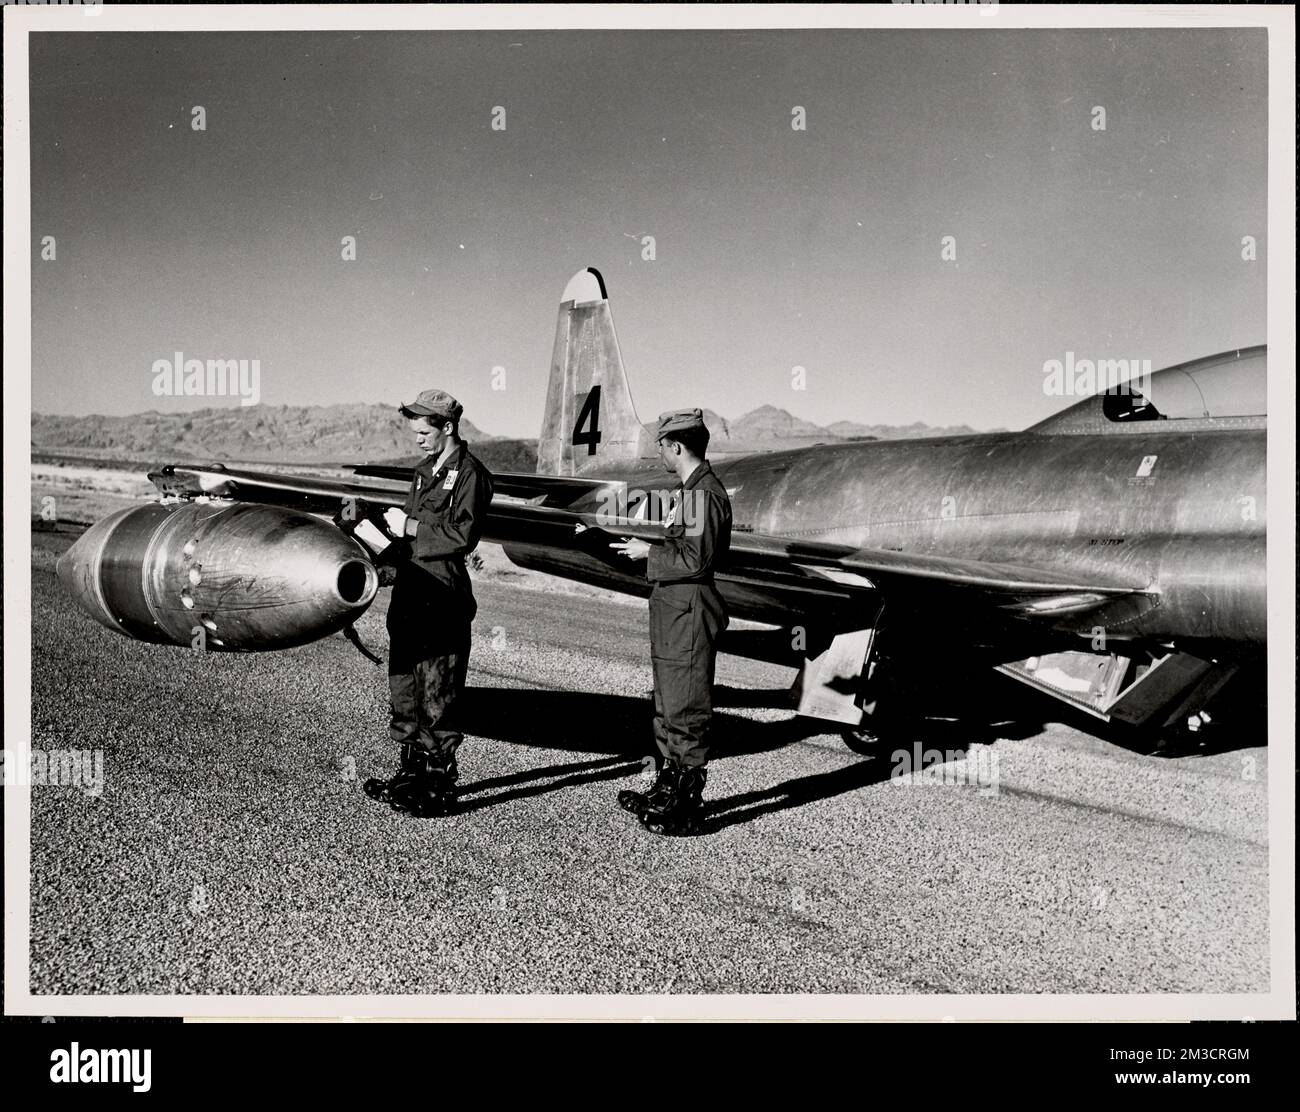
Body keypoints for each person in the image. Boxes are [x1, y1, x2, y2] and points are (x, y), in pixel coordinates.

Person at [362, 388, 494, 817]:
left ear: (448, 427)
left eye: (424, 432)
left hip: (441, 594)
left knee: (438, 690)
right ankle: (411, 772)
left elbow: (461, 536)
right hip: (411, 591)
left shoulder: (471, 474)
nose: (417, 439)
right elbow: (405, 537)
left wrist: (412, 525)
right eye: (414, 432)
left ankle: (438, 783)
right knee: (405, 687)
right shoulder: (422, 472)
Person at [610, 409, 732, 836]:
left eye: (661, 446)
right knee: (666, 703)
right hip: (674, 609)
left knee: (686, 706)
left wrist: (649, 554)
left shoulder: (704, 494)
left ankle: (687, 803)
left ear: (676, 447)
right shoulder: (689, 491)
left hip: (690, 612)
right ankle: (667, 787)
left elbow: (697, 560)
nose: (658, 453)